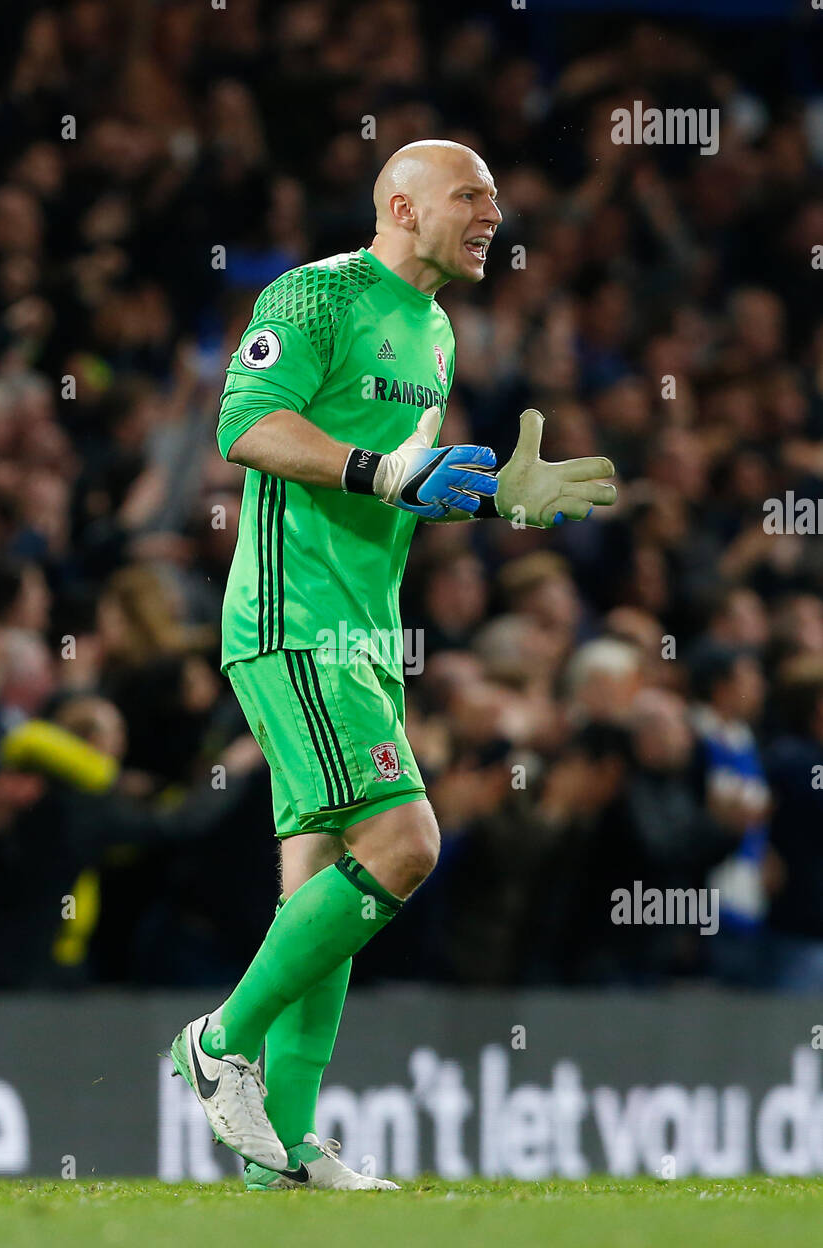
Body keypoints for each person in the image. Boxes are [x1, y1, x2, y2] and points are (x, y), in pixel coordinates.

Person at [170, 140, 617, 1189]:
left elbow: (408, 484)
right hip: (294, 616)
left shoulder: (439, 332)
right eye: (470, 197)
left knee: (325, 885)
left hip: (365, 630)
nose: (490, 216)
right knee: (407, 839)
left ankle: (279, 1154)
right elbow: (245, 426)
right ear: (403, 203)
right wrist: (382, 470)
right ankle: (218, 1040)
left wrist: (501, 495)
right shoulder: (314, 296)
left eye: (497, 201)